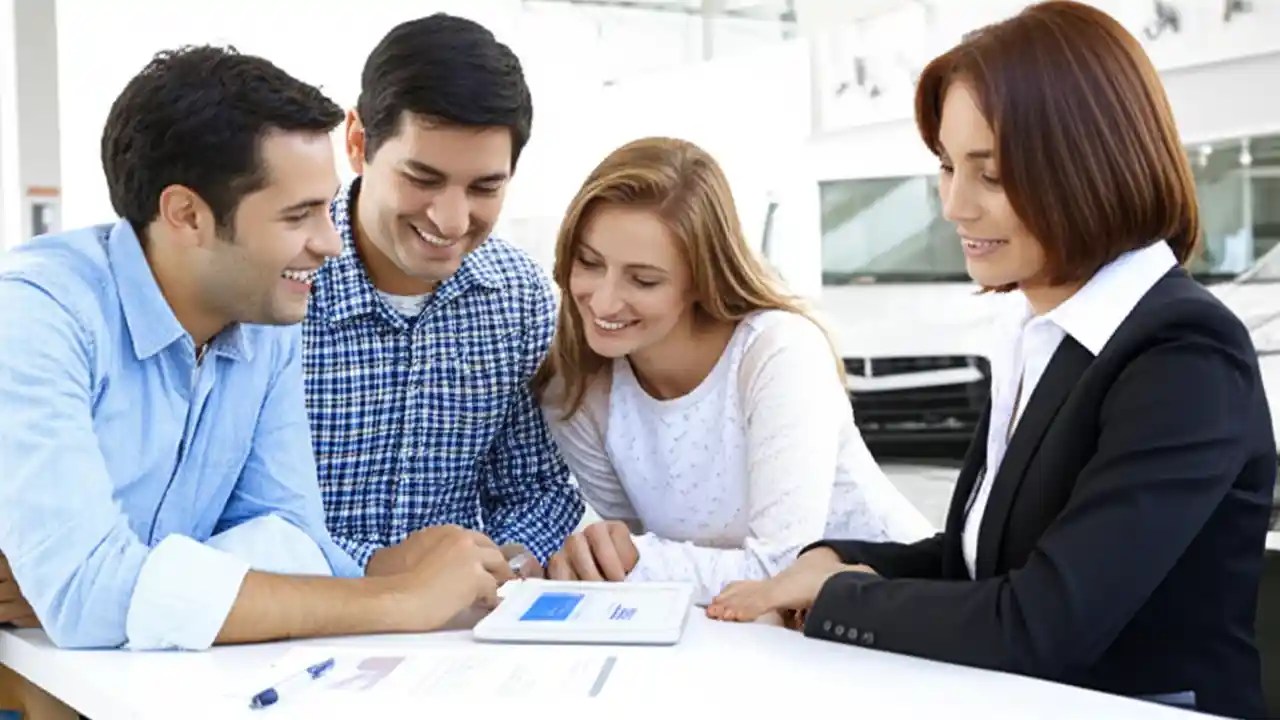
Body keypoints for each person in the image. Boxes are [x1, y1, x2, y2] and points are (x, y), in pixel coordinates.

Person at [706, 3, 1276, 717]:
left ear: (1094, 166)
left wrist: (837, 595)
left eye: (993, 174)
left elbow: (1046, 622)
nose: (954, 205)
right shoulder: (1041, 330)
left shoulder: (1183, 352)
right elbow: (986, 561)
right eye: (947, 166)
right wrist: (844, 560)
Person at [0, 45, 512, 656]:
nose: (331, 243)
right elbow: (86, 599)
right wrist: (399, 599)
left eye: (326, 207)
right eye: (298, 216)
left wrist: (136, 582)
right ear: (187, 214)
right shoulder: (35, 315)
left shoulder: (265, 318)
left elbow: (287, 542)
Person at [532, 136, 934, 606]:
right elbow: (640, 558)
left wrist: (617, 565)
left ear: (700, 280)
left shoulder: (776, 353)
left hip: (892, 611)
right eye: (589, 263)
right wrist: (618, 562)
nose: (603, 301)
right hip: (751, 631)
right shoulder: (578, 392)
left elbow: (780, 569)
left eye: (643, 280)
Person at [304, 14, 582, 576]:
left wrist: (508, 564)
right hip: (292, 627)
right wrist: (386, 571)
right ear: (358, 143)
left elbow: (537, 490)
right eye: (422, 179)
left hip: (460, 638)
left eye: (485, 187)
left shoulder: (517, 296)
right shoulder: (280, 285)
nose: (452, 221)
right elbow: (234, 517)